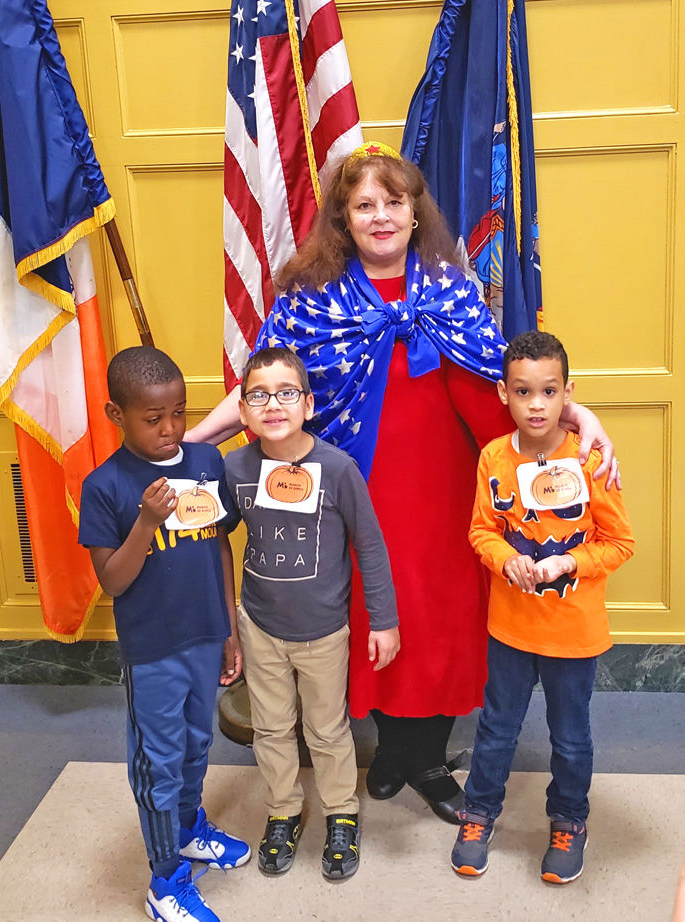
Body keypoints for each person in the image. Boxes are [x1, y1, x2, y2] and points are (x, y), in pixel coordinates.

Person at [186, 141, 619, 823]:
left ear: (416, 213)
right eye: (365, 205)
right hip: (356, 486)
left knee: (441, 616)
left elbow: (502, 379)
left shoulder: (450, 286)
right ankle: (391, 748)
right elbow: (261, 389)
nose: (381, 216)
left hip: (446, 488)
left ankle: (427, 757)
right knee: (373, 612)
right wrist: (190, 442)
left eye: (394, 202)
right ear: (343, 217)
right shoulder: (311, 296)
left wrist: (577, 413)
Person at [450, 331, 634, 884]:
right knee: (496, 729)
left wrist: (568, 562)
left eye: (549, 391)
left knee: (570, 736)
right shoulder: (493, 458)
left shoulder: (590, 457)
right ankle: (479, 811)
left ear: (567, 393)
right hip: (510, 628)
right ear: (503, 393)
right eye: (523, 391)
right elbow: (482, 531)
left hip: (573, 632)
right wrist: (506, 559)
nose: (536, 404)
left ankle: (569, 819)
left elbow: (619, 543)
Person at [78, 346, 251, 922]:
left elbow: (219, 547)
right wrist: (147, 522)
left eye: (179, 413)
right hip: (154, 650)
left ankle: (187, 828)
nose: (170, 429)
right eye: (153, 419)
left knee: (198, 745)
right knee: (159, 763)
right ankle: (164, 880)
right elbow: (114, 581)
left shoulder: (205, 461)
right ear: (117, 414)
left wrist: (228, 626)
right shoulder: (105, 485)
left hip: (206, 635)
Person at [225, 347, 399, 880]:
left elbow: (370, 546)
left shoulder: (338, 469)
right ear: (243, 409)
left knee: (326, 730)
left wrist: (385, 620)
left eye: (286, 393)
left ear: (308, 404)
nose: (273, 405)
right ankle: (283, 810)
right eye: (258, 395)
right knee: (271, 729)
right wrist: (225, 623)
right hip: (260, 626)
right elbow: (210, 536)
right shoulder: (234, 468)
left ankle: (341, 812)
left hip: (323, 631)